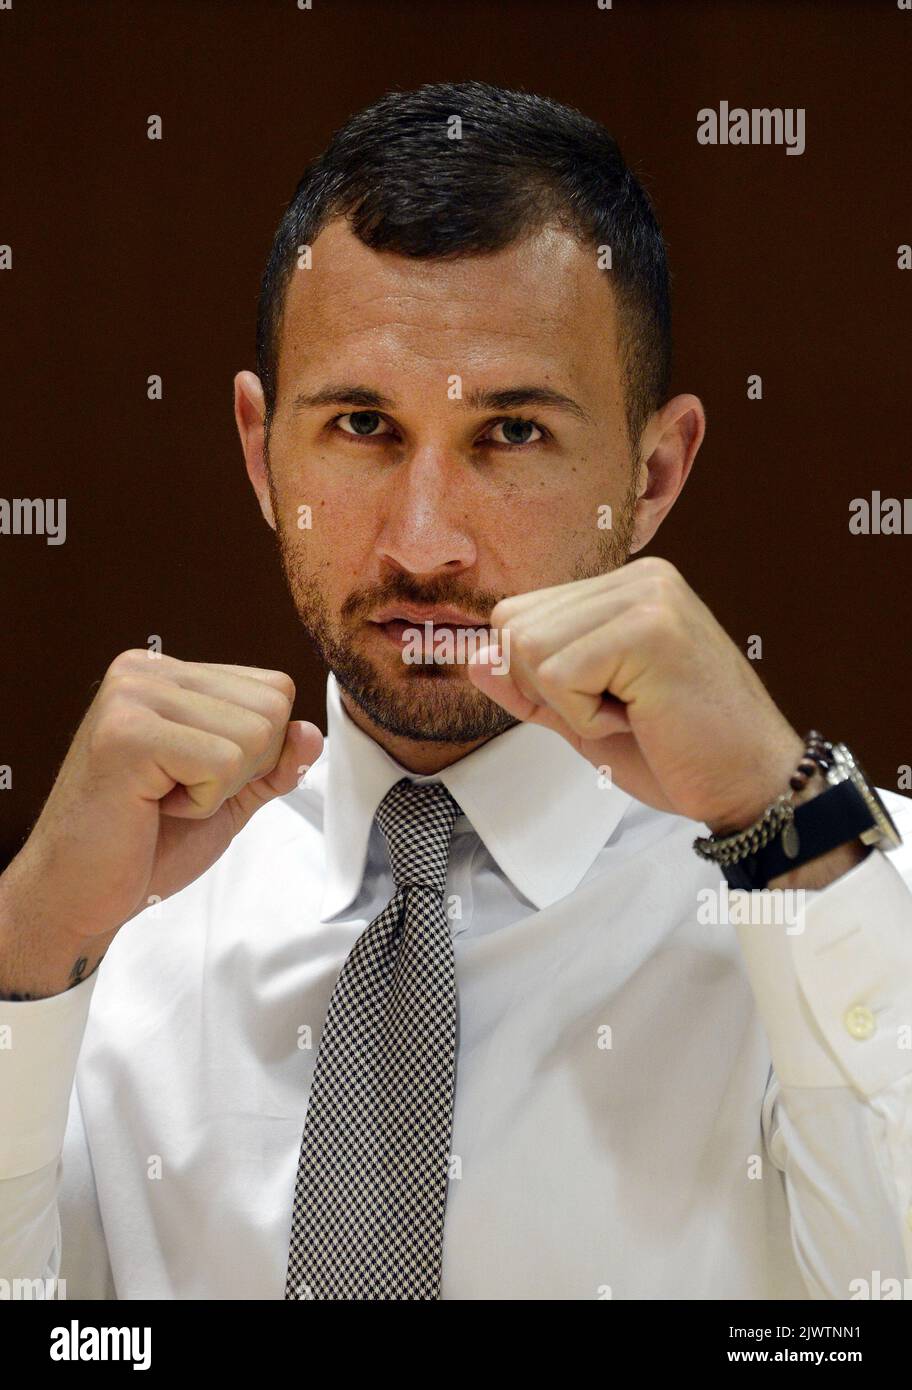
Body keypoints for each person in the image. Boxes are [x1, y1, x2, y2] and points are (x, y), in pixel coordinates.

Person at [1, 80, 910, 1302]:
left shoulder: (863, 908)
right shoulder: (96, 933)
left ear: (651, 475)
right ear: (260, 452)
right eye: (364, 425)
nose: (424, 544)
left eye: (513, 434)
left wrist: (787, 827)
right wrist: (28, 953)